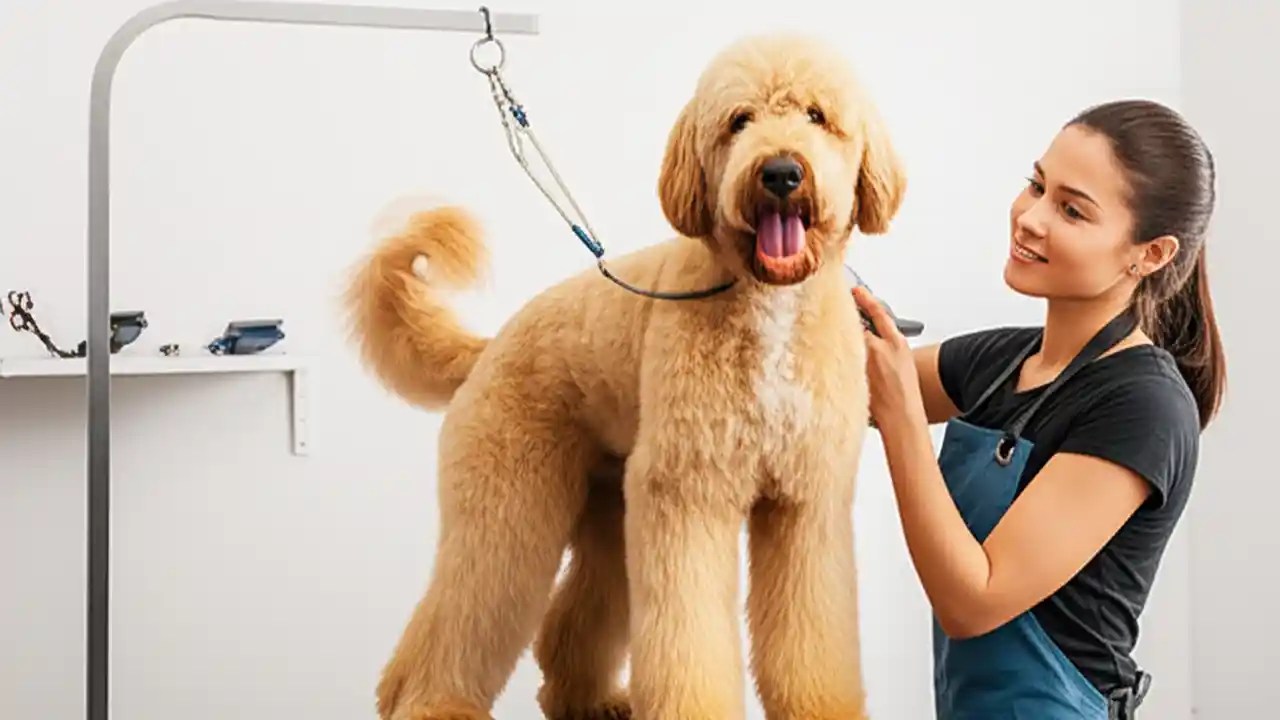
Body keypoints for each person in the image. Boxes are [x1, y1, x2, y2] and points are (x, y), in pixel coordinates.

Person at [852, 98, 1226, 720]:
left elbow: (973, 600)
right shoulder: (1002, 361)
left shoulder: (1145, 407)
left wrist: (899, 418)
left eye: (1072, 210)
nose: (1030, 218)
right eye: (1035, 185)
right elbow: (847, 388)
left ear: (1151, 254)